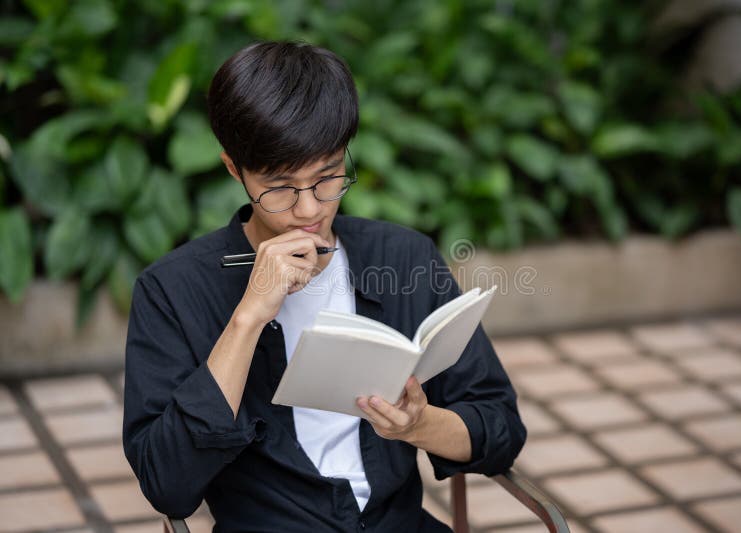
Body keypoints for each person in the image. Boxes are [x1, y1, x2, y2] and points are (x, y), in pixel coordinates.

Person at [122, 41, 526, 532]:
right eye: (280, 186)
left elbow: (501, 427)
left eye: (329, 177)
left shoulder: (402, 258)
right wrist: (248, 317)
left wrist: (420, 426)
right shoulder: (173, 290)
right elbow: (167, 484)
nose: (310, 209)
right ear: (234, 169)